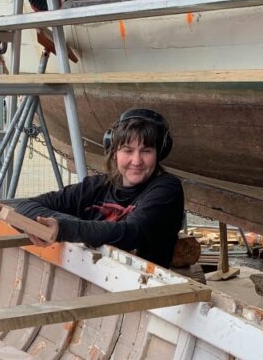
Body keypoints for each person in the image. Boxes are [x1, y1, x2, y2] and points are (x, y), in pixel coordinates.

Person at [16, 108, 185, 268]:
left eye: (146, 151)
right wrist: (61, 226)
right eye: (128, 150)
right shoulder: (96, 186)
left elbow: (131, 233)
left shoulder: (167, 189)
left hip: (144, 290)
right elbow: (24, 207)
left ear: (158, 154)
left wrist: (64, 229)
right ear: (114, 153)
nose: (136, 161)